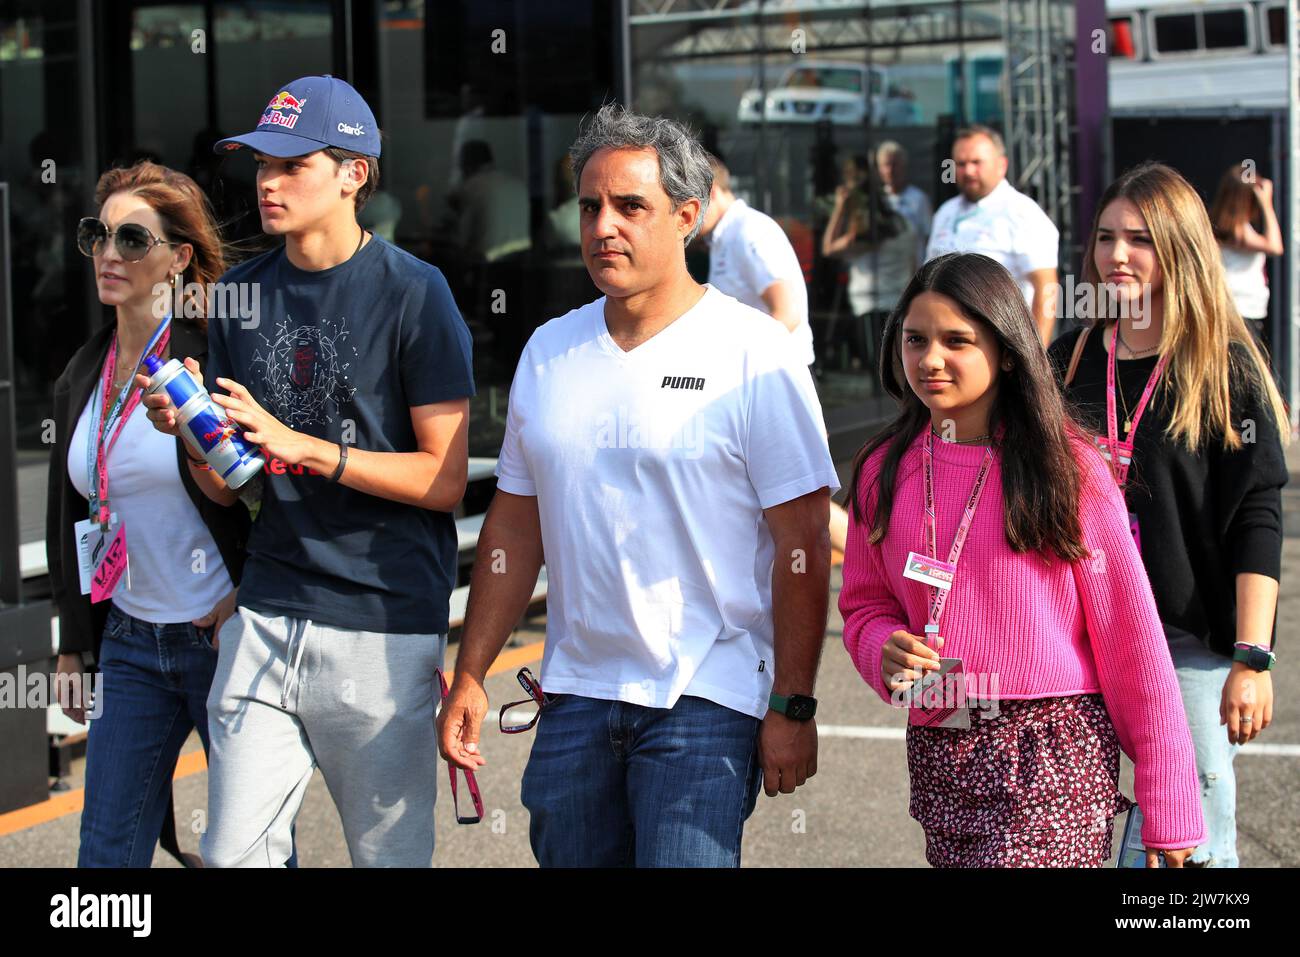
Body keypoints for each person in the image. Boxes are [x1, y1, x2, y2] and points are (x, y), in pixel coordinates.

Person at [438, 104, 839, 868]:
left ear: (687, 215)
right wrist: (470, 673)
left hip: (708, 696)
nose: (602, 227)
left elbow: (803, 541)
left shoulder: (755, 351)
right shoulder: (548, 351)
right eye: (590, 206)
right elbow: (513, 532)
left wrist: (793, 701)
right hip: (576, 693)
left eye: (630, 206)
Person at [142, 75, 475, 867]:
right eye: (260, 163)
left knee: (387, 859)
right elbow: (232, 483)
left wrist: (307, 447)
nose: (267, 181)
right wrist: (188, 433)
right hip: (267, 609)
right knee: (230, 857)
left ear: (353, 173)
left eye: (292, 164)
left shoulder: (415, 294)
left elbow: (446, 479)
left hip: (382, 620)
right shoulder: (237, 296)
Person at [840, 252, 1205, 867]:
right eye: (915, 339)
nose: (930, 360)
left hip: (1052, 752)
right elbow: (862, 604)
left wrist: (1169, 804)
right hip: (942, 741)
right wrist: (882, 646)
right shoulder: (884, 468)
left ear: (1007, 350)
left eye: (957, 341)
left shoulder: (1069, 468)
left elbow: (1131, 641)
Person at [1050, 162, 1288, 868]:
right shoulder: (1070, 361)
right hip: (1076, 638)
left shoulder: (1224, 366)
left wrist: (1252, 656)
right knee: (1074, 830)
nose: (1117, 255)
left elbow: (1257, 517)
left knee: (1191, 844)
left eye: (1141, 239)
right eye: (1105, 237)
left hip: (1184, 640)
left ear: (1180, 246)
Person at [47, 160, 247, 867]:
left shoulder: (213, 361)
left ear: (179, 256)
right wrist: (75, 642)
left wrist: (244, 596)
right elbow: (68, 507)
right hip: (131, 638)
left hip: (220, 642)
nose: (109, 253)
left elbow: (269, 492)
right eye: (97, 235)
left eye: (133, 239)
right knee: (105, 855)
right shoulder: (84, 370)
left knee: (247, 853)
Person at [925, 125, 1059, 346]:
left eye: (977, 163)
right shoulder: (945, 212)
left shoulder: (1023, 213)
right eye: (960, 164)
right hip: (944, 341)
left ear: (1001, 165)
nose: (968, 171)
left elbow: (1046, 287)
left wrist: (1035, 355)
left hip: (1000, 342)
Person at [696, 152, 814, 366]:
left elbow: (787, 314)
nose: (687, 215)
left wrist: (738, 363)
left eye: (691, 204)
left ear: (711, 193)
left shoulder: (749, 229)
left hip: (773, 374)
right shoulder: (726, 234)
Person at [822, 154, 916, 378]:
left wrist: (839, 208)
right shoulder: (902, 224)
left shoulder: (864, 236)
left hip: (872, 306)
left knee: (881, 372)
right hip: (898, 302)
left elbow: (828, 248)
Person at [1209, 162, 1284, 351]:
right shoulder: (1237, 230)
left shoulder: (1221, 225)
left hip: (1233, 307)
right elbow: (1275, 246)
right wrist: (1266, 204)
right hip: (1240, 309)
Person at [876, 140, 931, 266]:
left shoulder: (920, 199)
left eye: (895, 164)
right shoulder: (875, 200)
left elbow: (929, 238)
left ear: (904, 166)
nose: (891, 170)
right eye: (886, 165)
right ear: (879, 169)